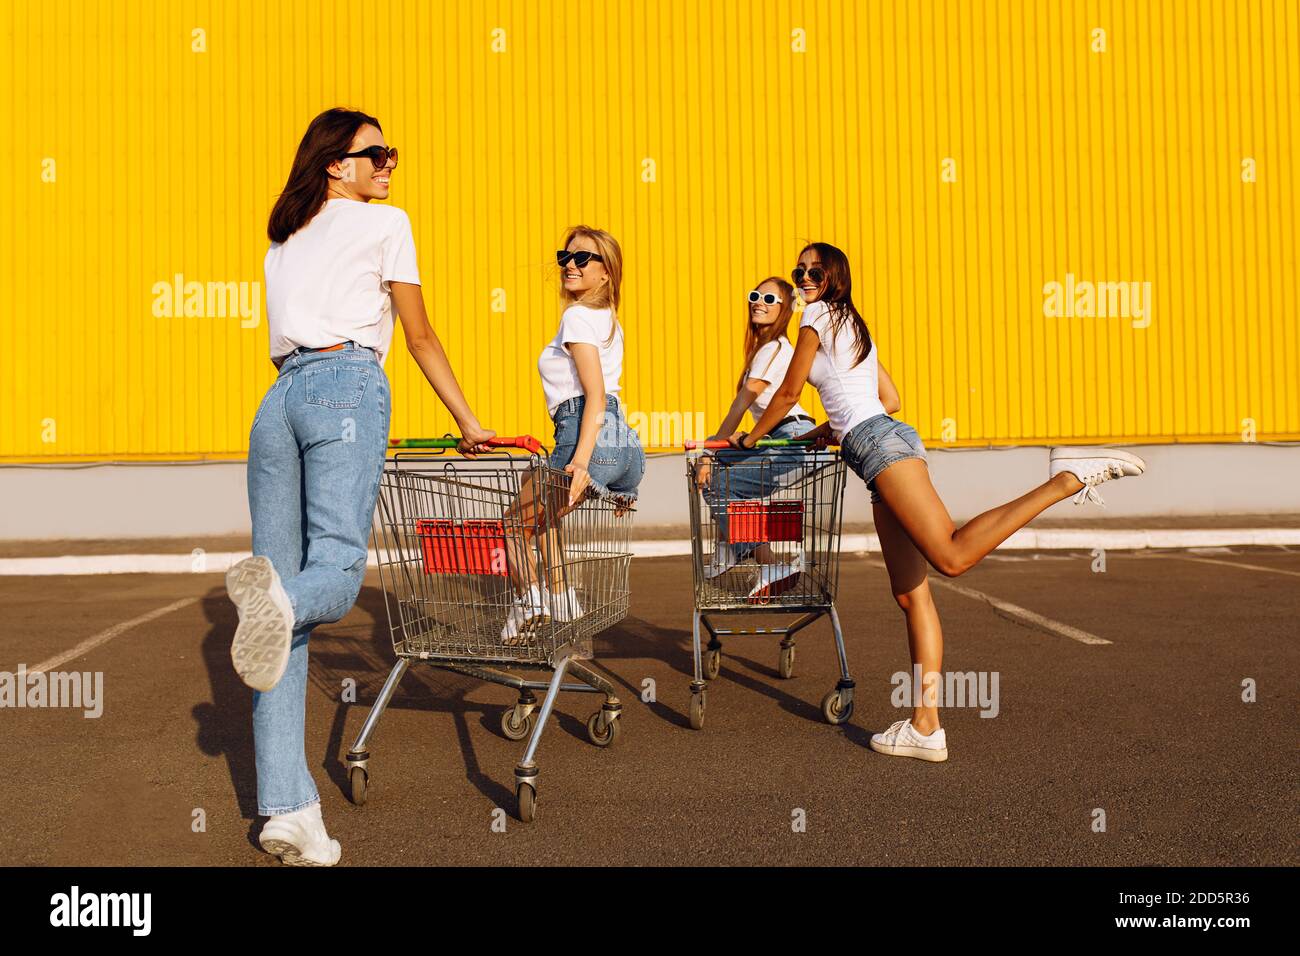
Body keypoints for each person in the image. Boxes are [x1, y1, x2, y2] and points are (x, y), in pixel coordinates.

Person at [733, 241, 1146, 763]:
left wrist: (751, 441)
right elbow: (888, 399)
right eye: (800, 270)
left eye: (816, 270)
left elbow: (788, 394)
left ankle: (1064, 480)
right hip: (877, 445)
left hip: (880, 448)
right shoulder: (852, 324)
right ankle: (925, 726)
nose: (805, 277)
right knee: (912, 596)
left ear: (836, 276)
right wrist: (826, 432)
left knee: (951, 557)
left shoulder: (815, 315)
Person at [226, 108, 493, 865]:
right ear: (336, 163)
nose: (389, 166)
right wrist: (469, 421)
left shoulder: (284, 239)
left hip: (276, 403)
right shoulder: (387, 223)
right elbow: (419, 336)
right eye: (376, 155)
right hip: (346, 382)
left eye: (392, 155)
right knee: (336, 577)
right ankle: (274, 600)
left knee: (283, 626)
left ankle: (287, 812)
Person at [500, 226, 645, 640]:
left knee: (513, 526)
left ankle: (530, 602)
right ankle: (562, 598)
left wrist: (580, 461)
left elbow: (594, 397)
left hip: (586, 432)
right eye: (567, 256)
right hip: (623, 447)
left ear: (607, 273)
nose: (570, 265)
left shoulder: (577, 316)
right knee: (543, 513)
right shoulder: (608, 319)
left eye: (584, 259)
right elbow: (608, 399)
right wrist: (624, 481)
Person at [696, 277, 817, 597]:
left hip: (789, 439)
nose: (758, 302)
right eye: (754, 296)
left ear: (786, 308)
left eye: (769, 298)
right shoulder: (767, 349)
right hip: (774, 434)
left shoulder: (775, 348)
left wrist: (710, 452)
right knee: (717, 471)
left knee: (717, 480)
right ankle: (734, 546)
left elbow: (740, 404)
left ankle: (760, 558)